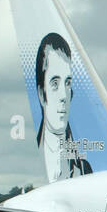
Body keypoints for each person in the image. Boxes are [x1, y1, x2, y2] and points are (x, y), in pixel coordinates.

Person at [34, 32, 94, 179]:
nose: (64, 96)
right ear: (42, 94)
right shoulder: (34, 160)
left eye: (68, 83)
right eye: (55, 83)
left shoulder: (84, 170)